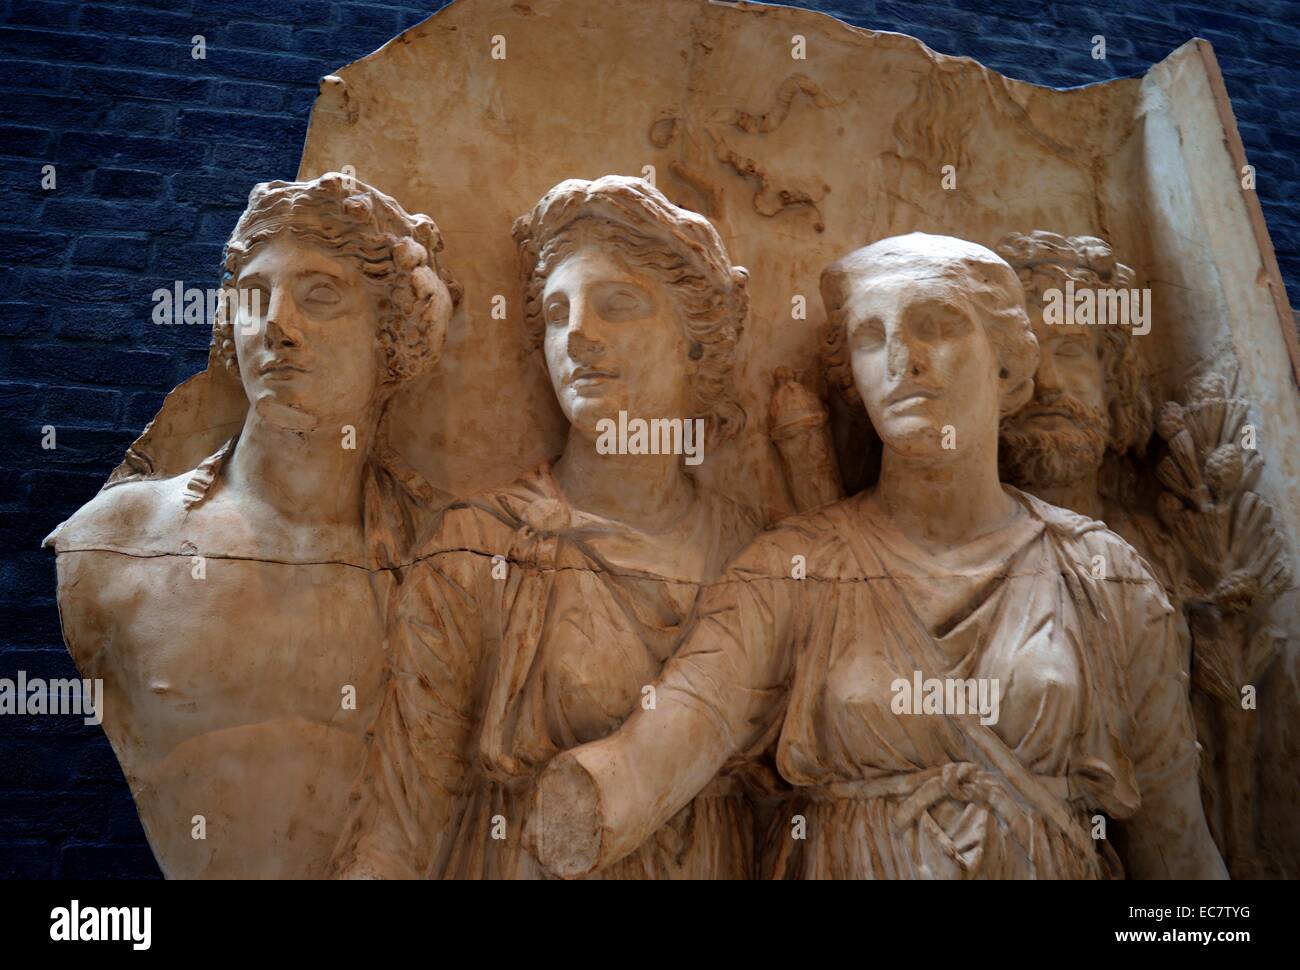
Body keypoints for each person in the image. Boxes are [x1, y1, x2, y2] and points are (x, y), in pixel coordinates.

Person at [526, 232, 1227, 880]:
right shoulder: (792, 568)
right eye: (871, 335)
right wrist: (591, 798)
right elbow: (673, 736)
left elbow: (1177, 845)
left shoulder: (1104, 575)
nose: (901, 358)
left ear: (1010, 366)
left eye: (938, 324)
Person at [330, 176, 762, 879]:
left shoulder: (758, 554)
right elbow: (403, 823)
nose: (579, 336)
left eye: (617, 305)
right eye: (557, 313)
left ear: (698, 341)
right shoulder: (478, 548)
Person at [45, 173, 460, 878]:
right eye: (253, 297)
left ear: (392, 334)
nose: (277, 325)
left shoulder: (450, 559)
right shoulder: (115, 546)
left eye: (320, 294)